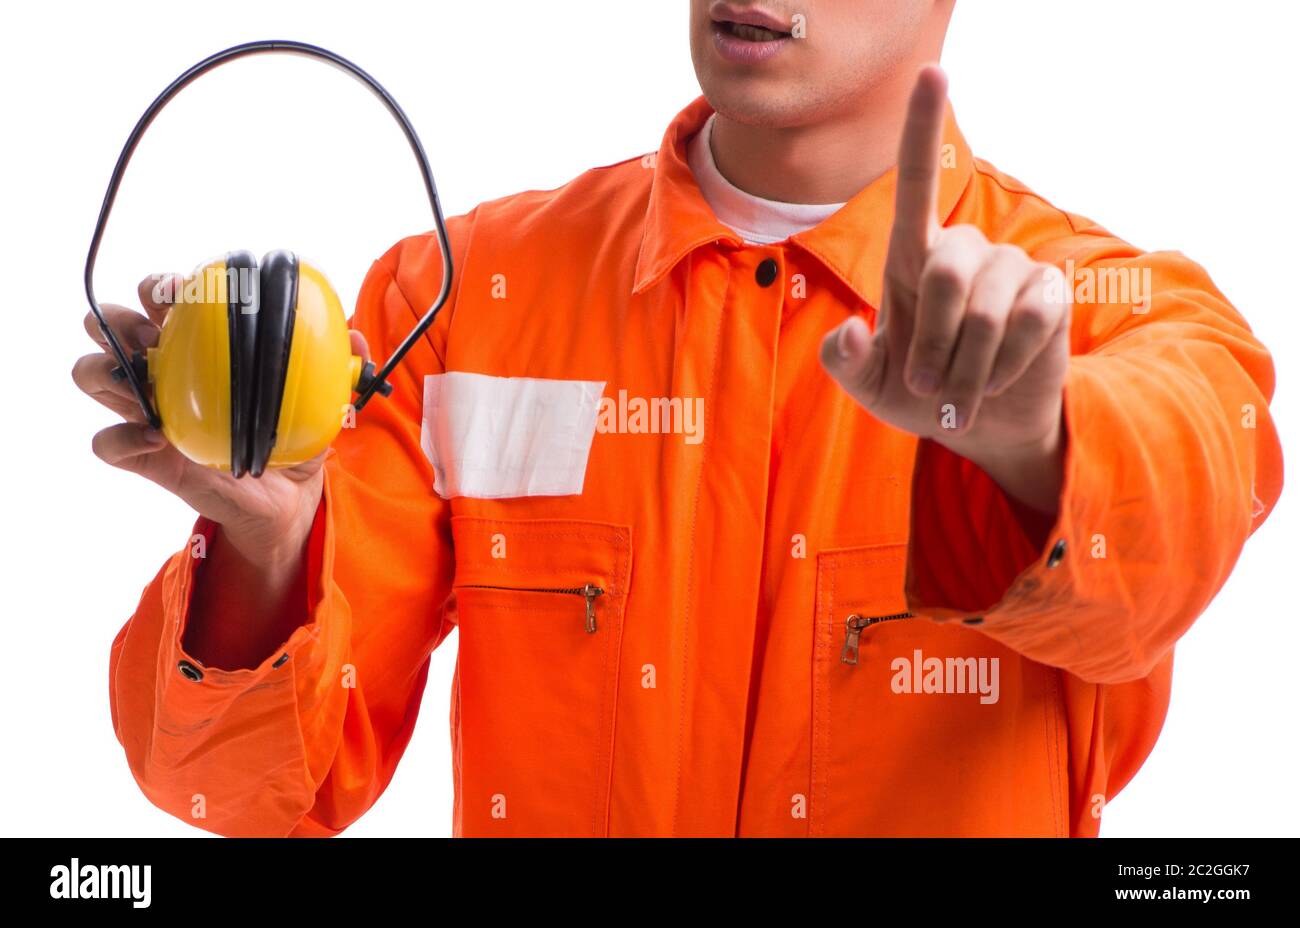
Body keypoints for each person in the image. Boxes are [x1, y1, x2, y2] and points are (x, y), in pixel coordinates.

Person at [75, 1, 1282, 837]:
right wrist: (269, 548)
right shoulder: (461, 300)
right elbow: (245, 793)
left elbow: (1184, 493)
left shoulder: (1098, 314)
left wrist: (1029, 453)